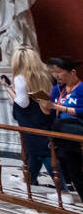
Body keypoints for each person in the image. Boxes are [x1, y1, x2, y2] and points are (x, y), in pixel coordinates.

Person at [0, 45, 56, 191]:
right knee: (36, 152)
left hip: (29, 119)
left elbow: (22, 103)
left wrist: (8, 88)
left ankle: (62, 189)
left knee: (40, 152)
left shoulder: (20, 78)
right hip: (46, 115)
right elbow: (44, 96)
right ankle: (28, 179)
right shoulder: (46, 74)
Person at [45, 57, 83, 205]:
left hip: (77, 135)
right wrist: (43, 104)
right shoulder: (58, 89)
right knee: (71, 172)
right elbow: (50, 109)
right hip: (61, 135)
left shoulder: (81, 88)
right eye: (53, 72)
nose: (56, 76)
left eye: (59, 72)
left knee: (77, 171)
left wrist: (61, 108)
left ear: (72, 72)